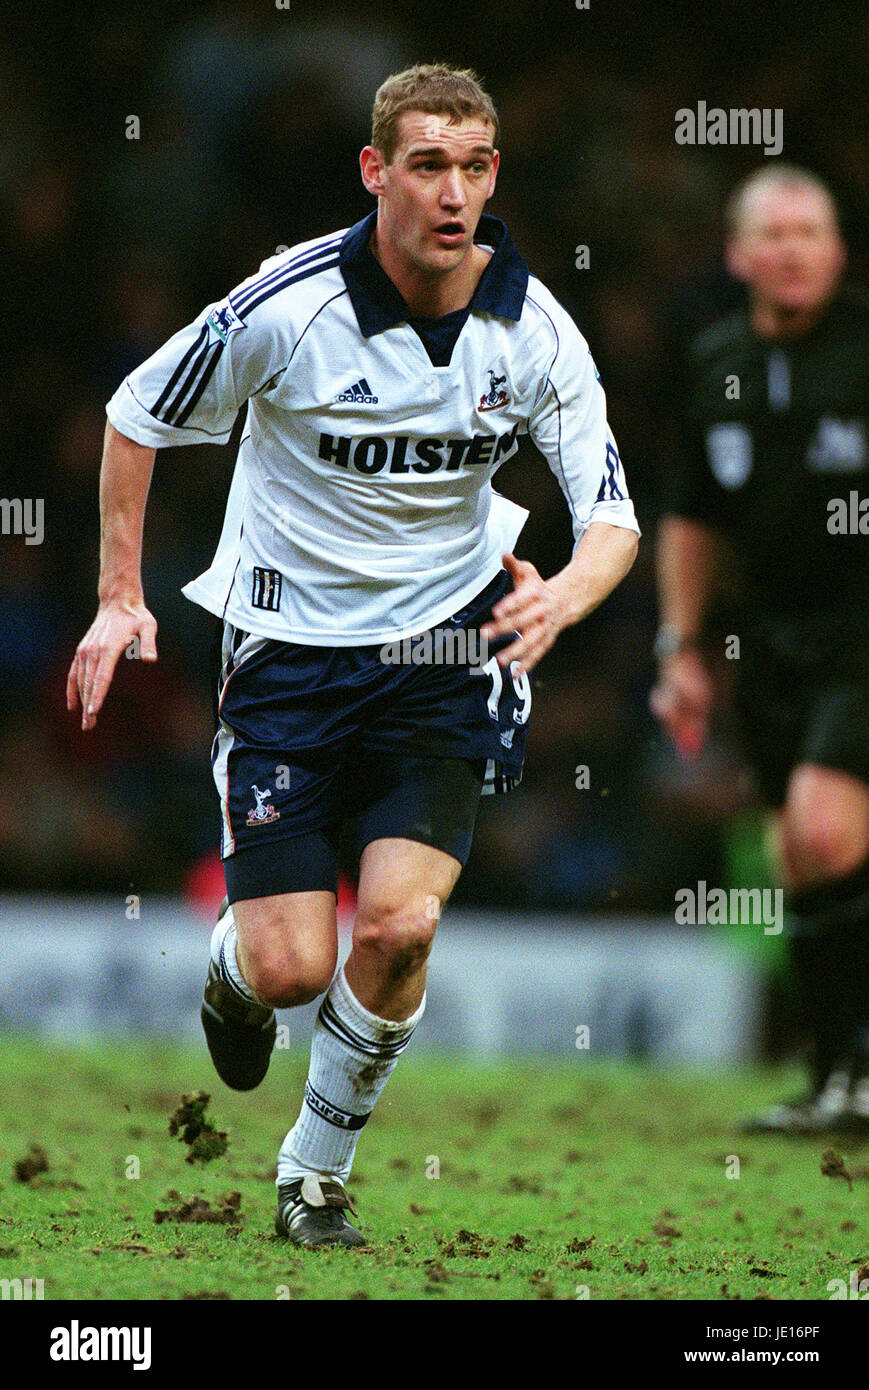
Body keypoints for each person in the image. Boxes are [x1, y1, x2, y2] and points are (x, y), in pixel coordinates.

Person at [68, 64, 639, 1244]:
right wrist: (119, 594)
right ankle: (232, 970)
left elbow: (611, 517)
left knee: (398, 930)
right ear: (375, 171)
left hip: (441, 655)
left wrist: (569, 595)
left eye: (474, 166)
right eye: (427, 163)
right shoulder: (289, 306)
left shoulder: (533, 328)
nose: (453, 191)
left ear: (494, 176)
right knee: (290, 967)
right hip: (287, 655)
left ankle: (310, 1173)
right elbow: (135, 410)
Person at [652, 164, 869, 1132]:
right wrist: (680, 646)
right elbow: (691, 517)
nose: (793, 249)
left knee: (823, 831)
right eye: (772, 234)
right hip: (772, 646)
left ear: (836, 249)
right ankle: (838, 1082)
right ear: (738, 253)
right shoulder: (715, 360)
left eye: (810, 232)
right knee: (798, 854)